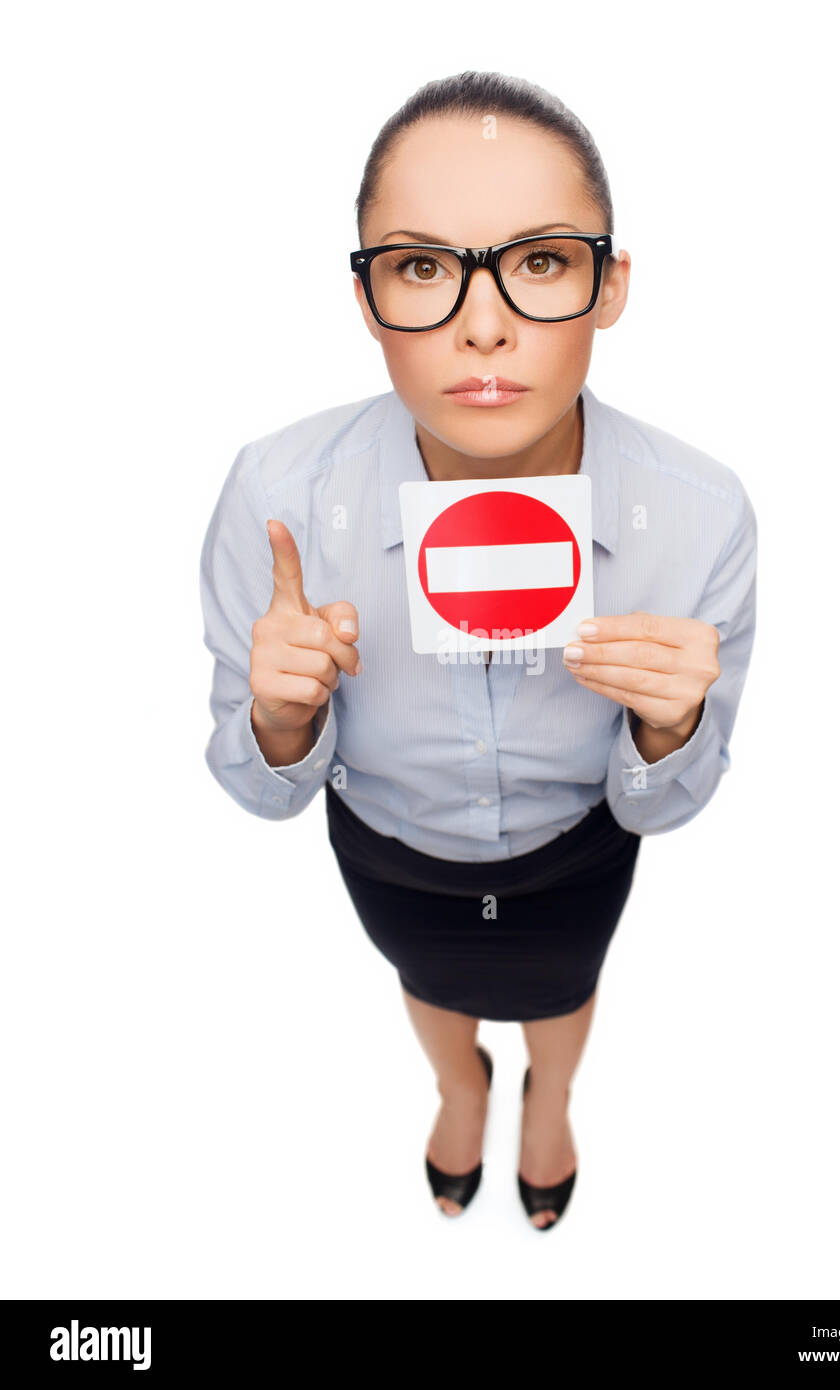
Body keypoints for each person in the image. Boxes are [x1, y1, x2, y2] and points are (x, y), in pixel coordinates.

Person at [199, 71, 757, 1231]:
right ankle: (461, 1086)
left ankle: (551, 1093)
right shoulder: (277, 496)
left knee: (561, 987)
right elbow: (258, 790)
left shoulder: (700, 514)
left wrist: (669, 728)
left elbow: (665, 807)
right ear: (365, 297)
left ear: (608, 286)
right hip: (390, 847)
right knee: (430, 982)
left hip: (576, 852)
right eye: (421, 266)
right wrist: (281, 723)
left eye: (540, 260)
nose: (482, 320)